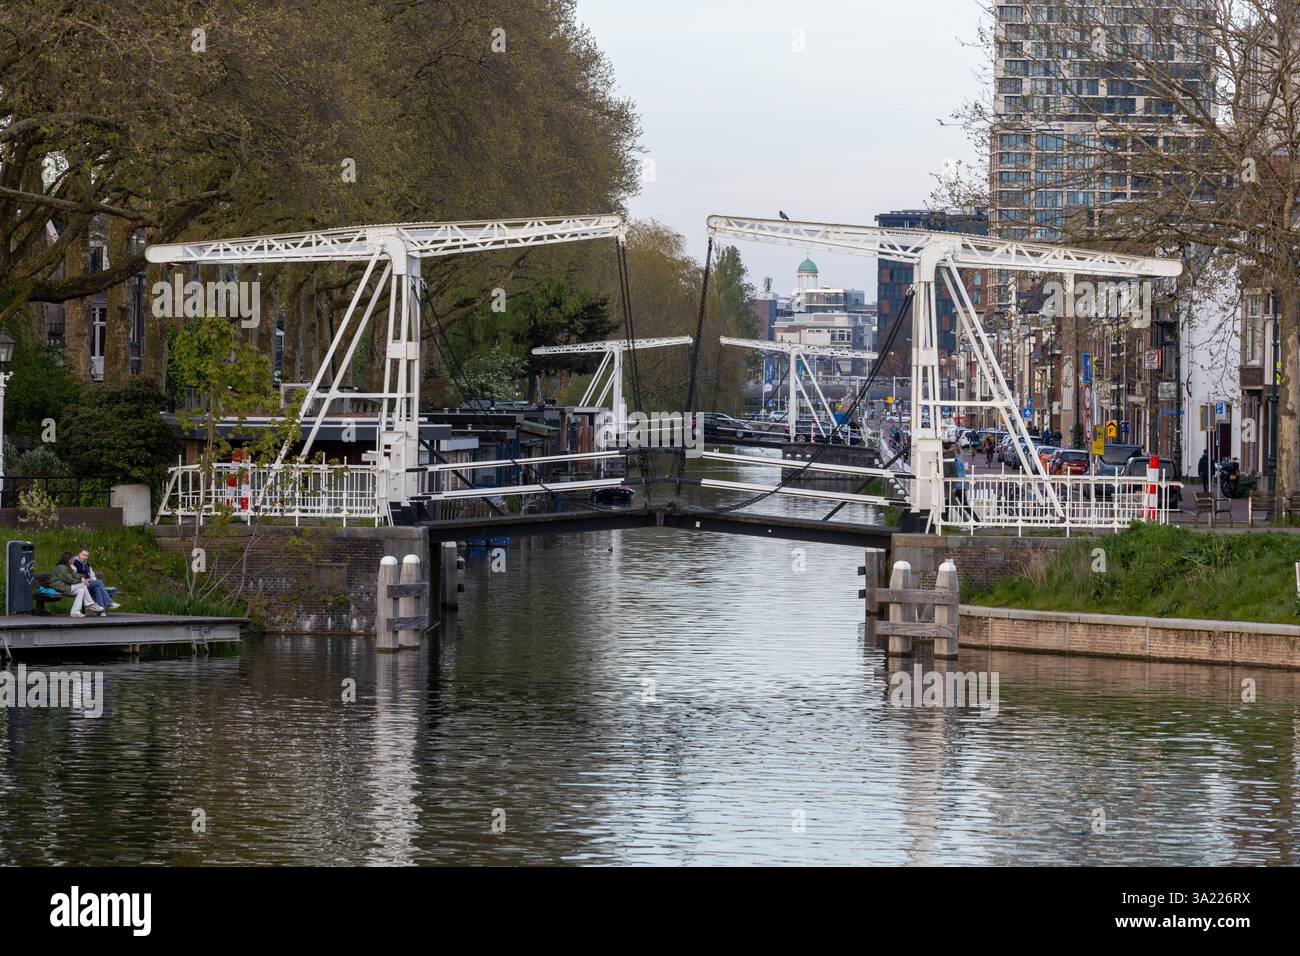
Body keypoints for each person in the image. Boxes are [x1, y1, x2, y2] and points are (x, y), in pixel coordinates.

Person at [51, 551, 102, 618]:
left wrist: (81, 577)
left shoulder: (67, 566)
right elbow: (70, 580)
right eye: (72, 559)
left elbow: (75, 574)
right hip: (60, 587)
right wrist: (82, 581)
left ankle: (75, 612)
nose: (74, 560)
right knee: (83, 585)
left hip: (65, 586)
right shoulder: (61, 567)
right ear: (68, 559)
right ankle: (90, 604)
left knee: (81, 590)